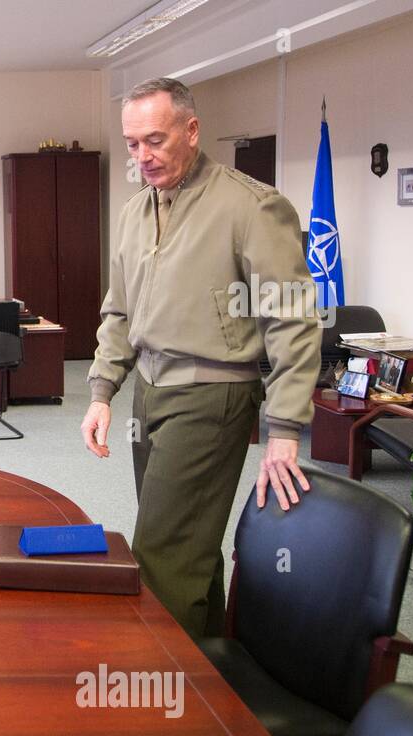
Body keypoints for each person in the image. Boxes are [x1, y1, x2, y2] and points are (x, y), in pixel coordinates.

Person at [81, 77, 322, 639]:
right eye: (133, 143)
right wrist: (101, 391)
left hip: (213, 396)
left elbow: (291, 319)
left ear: (192, 130)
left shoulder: (252, 207)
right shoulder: (134, 212)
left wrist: (285, 426)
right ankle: (213, 671)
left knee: (161, 556)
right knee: (191, 544)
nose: (142, 156)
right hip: (150, 389)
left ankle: (167, 700)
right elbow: (119, 312)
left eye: (155, 140)